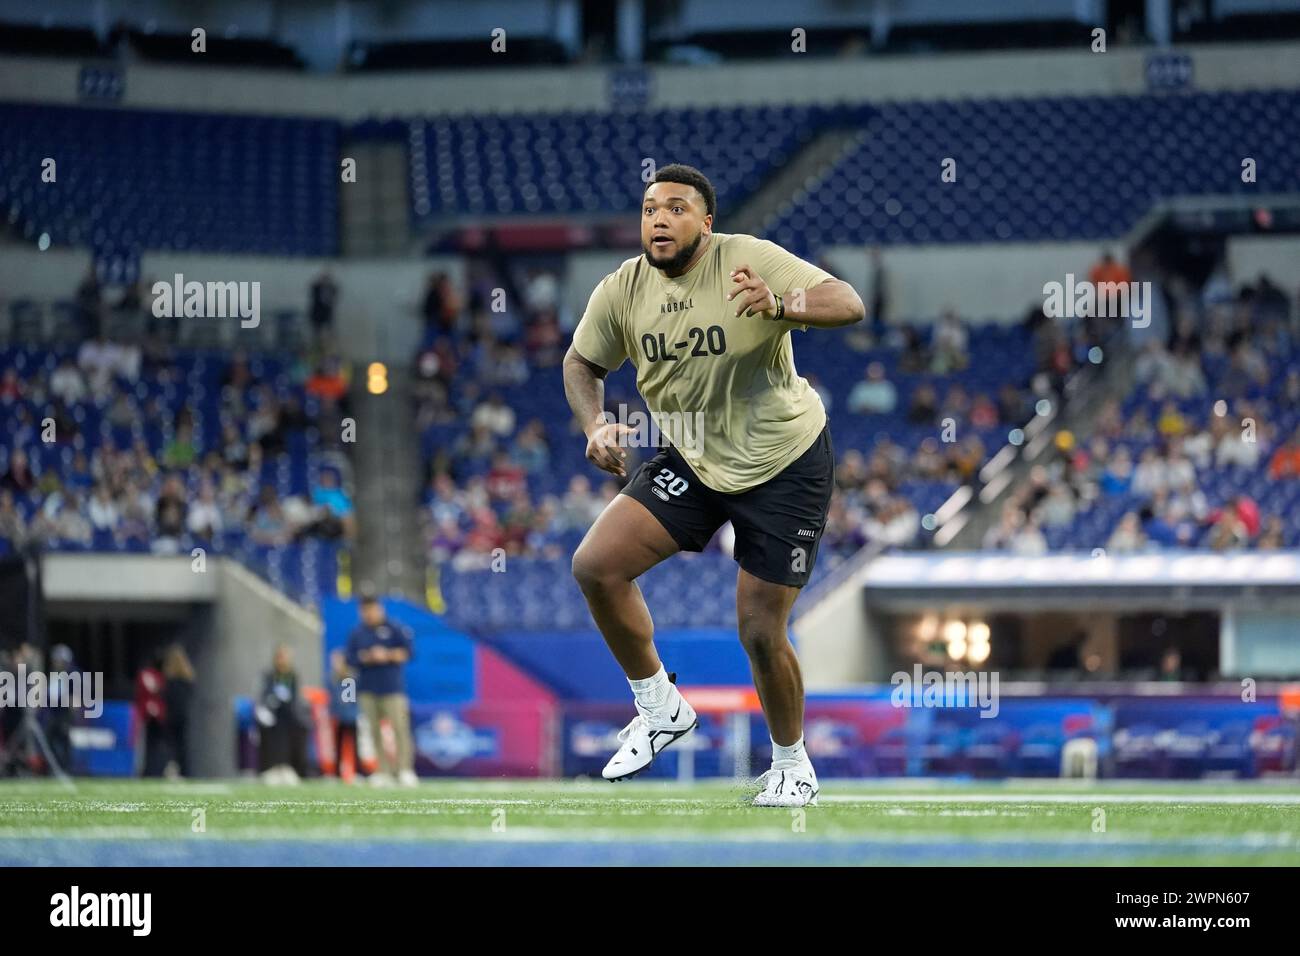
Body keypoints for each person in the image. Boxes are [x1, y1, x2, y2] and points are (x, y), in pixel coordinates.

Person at [562, 163, 864, 807]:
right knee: (596, 566)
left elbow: (848, 301)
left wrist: (783, 305)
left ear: (706, 221)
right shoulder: (622, 288)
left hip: (785, 460)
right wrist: (594, 425)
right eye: (649, 209)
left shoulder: (748, 259)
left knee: (758, 630)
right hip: (695, 459)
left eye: (675, 208)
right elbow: (582, 362)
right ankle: (659, 705)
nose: (659, 219)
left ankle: (792, 765)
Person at [345, 591, 417, 787]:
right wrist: (367, 657)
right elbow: (349, 659)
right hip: (368, 689)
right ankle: (381, 771)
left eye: (372, 610)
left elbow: (409, 652)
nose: (368, 614)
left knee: (400, 730)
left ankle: (404, 770)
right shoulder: (357, 633)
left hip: (393, 689)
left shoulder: (394, 628)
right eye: (364, 611)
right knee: (372, 732)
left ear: (379, 609)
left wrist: (387, 655)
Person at [257, 644, 309, 784]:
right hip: (273, 714)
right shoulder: (270, 675)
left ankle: (288, 768)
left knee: (296, 729)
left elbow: (296, 698)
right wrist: (267, 705)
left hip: (289, 714)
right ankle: (272, 768)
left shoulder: (292, 675)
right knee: (270, 731)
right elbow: (264, 694)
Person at [162, 645, 195, 778]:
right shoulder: (187, 680)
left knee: (173, 744)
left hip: (172, 715)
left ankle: (174, 768)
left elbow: (168, 699)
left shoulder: (170, 681)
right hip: (183, 715)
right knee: (182, 744)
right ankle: (183, 771)